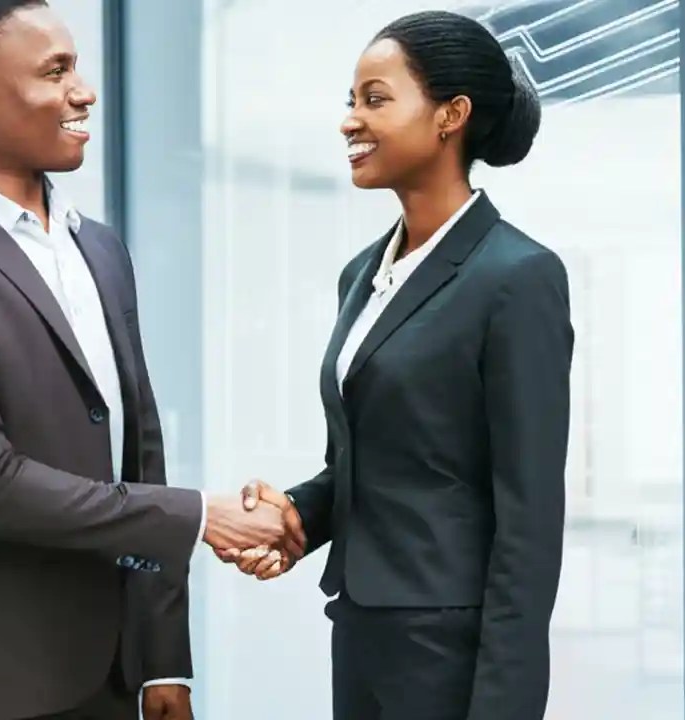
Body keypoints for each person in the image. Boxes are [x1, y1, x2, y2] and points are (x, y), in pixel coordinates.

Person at [0, 1, 288, 718]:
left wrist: (163, 661)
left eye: (77, 66)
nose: (85, 91)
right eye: (56, 72)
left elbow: (139, 451)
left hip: (112, 676)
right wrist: (203, 516)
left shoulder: (98, 246)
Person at [222, 10, 573, 720]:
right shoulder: (362, 274)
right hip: (360, 637)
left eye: (375, 99)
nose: (350, 120)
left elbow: (530, 524)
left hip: (451, 652)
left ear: (451, 115)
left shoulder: (518, 276)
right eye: (351, 100)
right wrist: (297, 515)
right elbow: (374, 461)